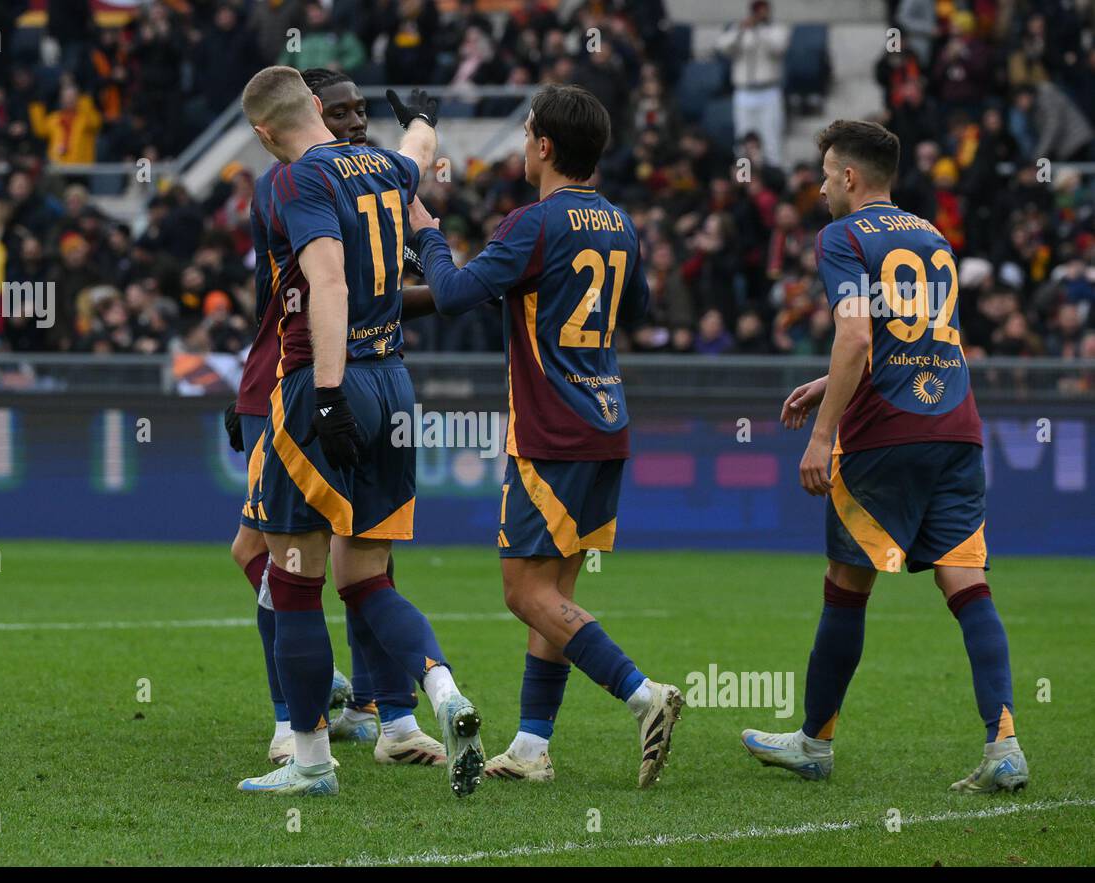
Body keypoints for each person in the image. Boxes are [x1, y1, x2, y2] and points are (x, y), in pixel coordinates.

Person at [409, 85, 685, 789]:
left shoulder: (532, 223)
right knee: (555, 592)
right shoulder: (619, 222)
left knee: (523, 592)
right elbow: (640, 306)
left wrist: (426, 233)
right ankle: (532, 746)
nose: (523, 143)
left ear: (544, 147)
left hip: (551, 430)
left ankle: (641, 694)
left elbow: (452, 294)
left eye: (527, 131)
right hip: (606, 421)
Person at [741, 120, 1029, 794]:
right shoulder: (934, 237)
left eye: (823, 174)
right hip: (956, 429)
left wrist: (822, 436)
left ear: (849, 177)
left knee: (846, 588)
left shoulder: (841, 237)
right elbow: (914, 338)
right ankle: (1005, 745)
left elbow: (855, 335)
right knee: (967, 584)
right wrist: (826, 384)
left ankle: (815, 743)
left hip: (884, 439)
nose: (817, 188)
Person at [235, 66, 485, 798]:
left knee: (295, 579)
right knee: (368, 577)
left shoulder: (293, 182)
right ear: (316, 106)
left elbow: (330, 283)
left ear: (261, 134)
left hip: (327, 379)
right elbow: (416, 147)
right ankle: (442, 695)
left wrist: (330, 395)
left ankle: (310, 760)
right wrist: (426, 116)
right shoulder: (384, 166)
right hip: (397, 386)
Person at [715, 0, 789, 169]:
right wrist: (741, 30)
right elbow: (723, 47)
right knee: (743, 140)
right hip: (744, 92)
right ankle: (744, 181)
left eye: (763, 9)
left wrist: (759, 29)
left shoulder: (776, 29)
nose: (760, 13)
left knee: (771, 138)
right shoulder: (740, 29)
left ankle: (774, 178)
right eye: (757, 10)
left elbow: (778, 48)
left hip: (769, 91)